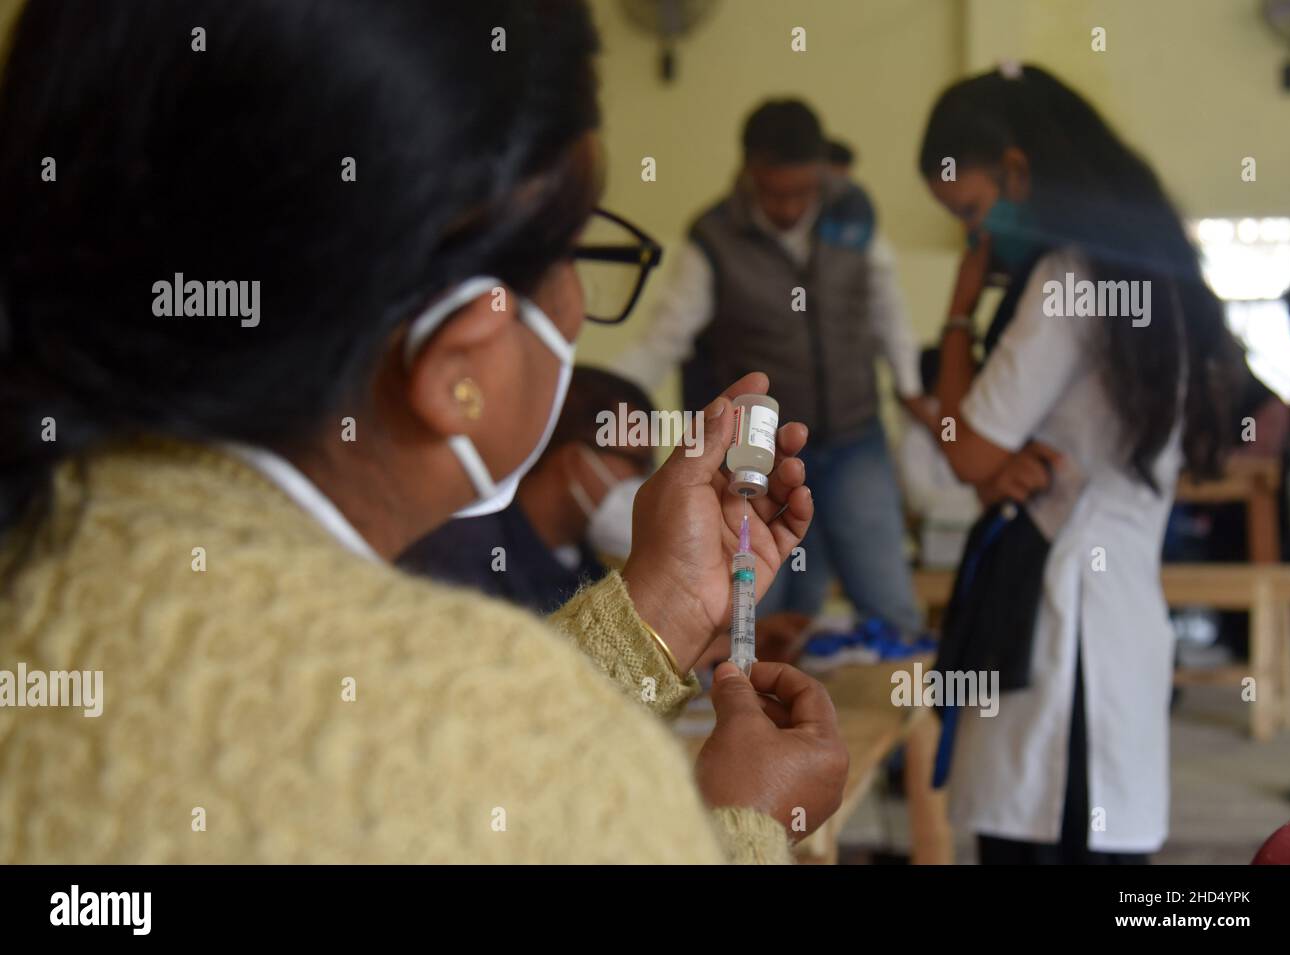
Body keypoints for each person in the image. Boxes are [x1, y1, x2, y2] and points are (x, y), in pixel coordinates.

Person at [0, 0, 846, 864]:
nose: (582, 304)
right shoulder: (559, 774)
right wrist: (747, 831)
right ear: (458, 369)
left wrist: (659, 615)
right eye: (577, 247)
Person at [918, 64, 1236, 864]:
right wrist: (996, 468)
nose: (972, 238)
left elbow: (966, 444)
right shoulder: (1145, 273)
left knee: (1042, 835)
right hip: (1115, 610)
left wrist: (960, 306)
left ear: (1019, 172)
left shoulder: (1066, 280)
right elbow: (1015, 448)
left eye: (971, 213)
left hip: (1065, 632)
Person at [615, 98, 926, 632]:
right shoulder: (713, 237)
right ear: (748, 172)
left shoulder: (853, 214)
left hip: (855, 438)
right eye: (775, 192)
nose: (788, 208)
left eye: (802, 192)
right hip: (758, 454)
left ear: (821, 172)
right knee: (760, 610)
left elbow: (887, 312)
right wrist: (609, 404)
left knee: (887, 598)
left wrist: (913, 388)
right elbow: (665, 337)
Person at [399, 366, 655, 612]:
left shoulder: (599, 576)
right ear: (575, 461)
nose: (647, 481)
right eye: (639, 463)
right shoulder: (459, 555)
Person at [896, 347, 981, 568]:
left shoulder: (969, 427)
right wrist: (977, 504)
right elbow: (920, 500)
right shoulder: (916, 437)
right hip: (941, 551)